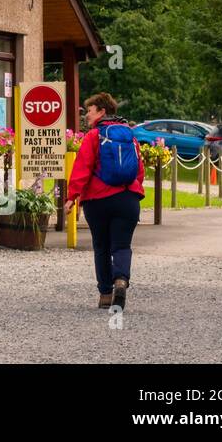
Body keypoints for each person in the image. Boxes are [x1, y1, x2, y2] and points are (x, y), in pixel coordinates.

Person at [64, 92, 144, 309]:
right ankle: (121, 280)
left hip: (98, 200)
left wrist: (72, 196)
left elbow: (83, 168)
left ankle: (105, 295)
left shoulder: (93, 137)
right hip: (127, 199)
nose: (86, 116)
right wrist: (134, 191)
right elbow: (139, 171)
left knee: (101, 246)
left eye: (89, 111)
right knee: (121, 246)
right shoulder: (131, 137)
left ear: (101, 111)